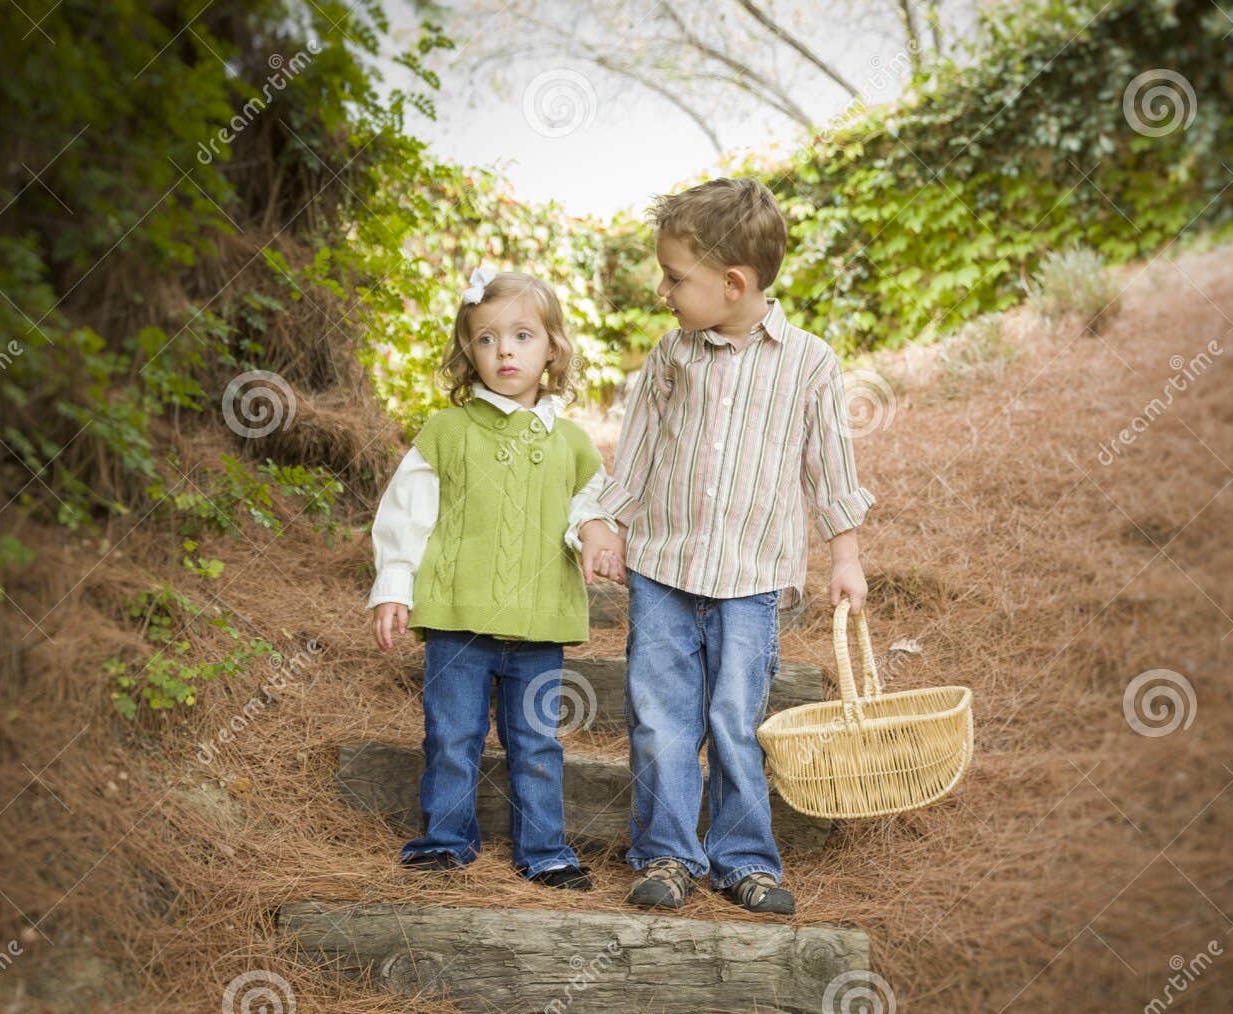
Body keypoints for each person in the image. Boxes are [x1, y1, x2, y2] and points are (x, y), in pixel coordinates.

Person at [577, 178, 875, 915]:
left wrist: (845, 555)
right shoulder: (671, 356)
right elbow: (639, 450)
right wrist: (607, 520)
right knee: (660, 715)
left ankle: (745, 859)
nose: (663, 291)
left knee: (736, 719)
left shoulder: (809, 363)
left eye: (676, 278)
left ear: (734, 283)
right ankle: (669, 853)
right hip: (665, 569)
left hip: (749, 579)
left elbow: (830, 467)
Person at [369, 267, 627, 891]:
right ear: (469, 353)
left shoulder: (570, 443)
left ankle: (545, 849)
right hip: (458, 619)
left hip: (538, 623)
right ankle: (446, 838)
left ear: (552, 349)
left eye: (521, 335)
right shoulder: (447, 432)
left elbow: (587, 506)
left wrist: (594, 532)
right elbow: (407, 512)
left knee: (536, 742)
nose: (504, 350)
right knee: (452, 733)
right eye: (485, 339)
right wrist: (395, 584)